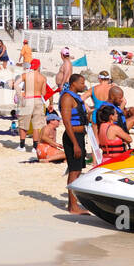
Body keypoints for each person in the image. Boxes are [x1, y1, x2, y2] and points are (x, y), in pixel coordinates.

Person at [59, 72, 90, 212]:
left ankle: (74, 203)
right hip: (73, 138)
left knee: (77, 171)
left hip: (79, 136)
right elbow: (66, 122)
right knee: (74, 171)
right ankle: (72, 206)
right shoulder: (67, 98)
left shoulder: (75, 97)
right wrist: (75, 144)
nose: (84, 85)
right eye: (82, 83)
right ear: (73, 84)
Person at [15, 58, 52, 152]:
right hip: (38, 100)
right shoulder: (43, 78)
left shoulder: (25, 75)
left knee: (23, 123)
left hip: (27, 99)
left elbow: (16, 84)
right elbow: (43, 93)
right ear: (39, 66)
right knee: (37, 124)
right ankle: (35, 147)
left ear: (31, 66)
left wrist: (20, 94)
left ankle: (22, 146)